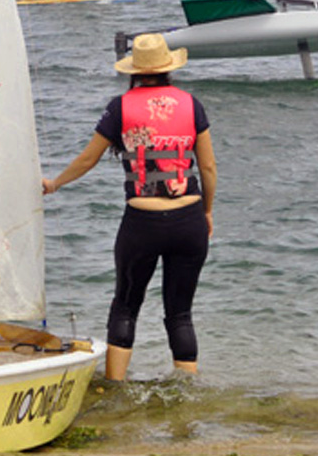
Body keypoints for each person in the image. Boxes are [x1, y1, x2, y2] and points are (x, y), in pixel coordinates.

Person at [42, 33, 217, 381]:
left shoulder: (120, 107)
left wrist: (55, 183)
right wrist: (207, 212)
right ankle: (187, 397)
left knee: (125, 305)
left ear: (134, 71)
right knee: (180, 313)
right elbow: (209, 167)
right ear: (168, 68)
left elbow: (88, 159)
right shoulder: (191, 104)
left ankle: (116, 391)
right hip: (189, 219)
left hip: (143, 223)